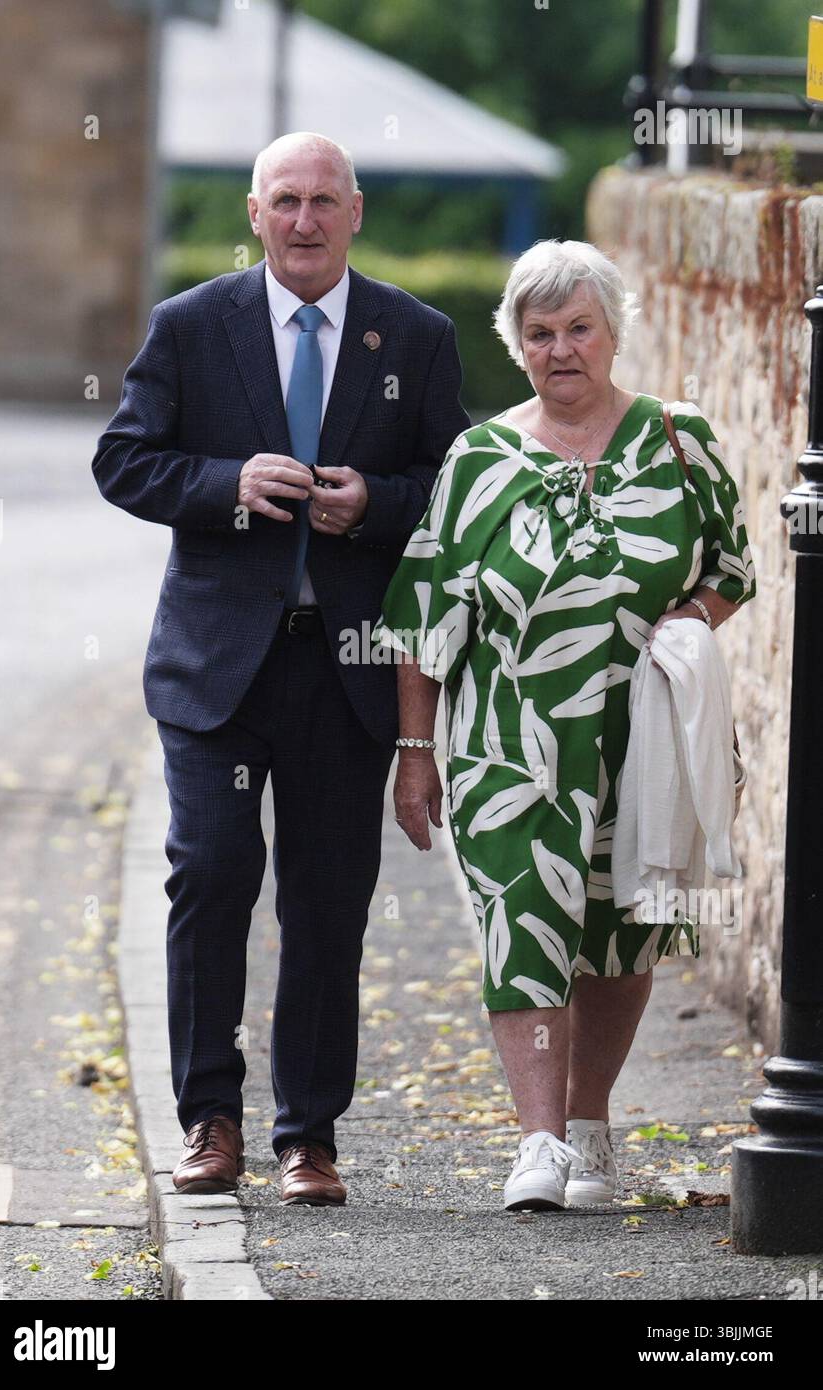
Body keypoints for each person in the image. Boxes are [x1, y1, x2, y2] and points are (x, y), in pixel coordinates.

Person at [91, 132, 469, 1204]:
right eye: (284, 202)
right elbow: (122, 458)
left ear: (355, 213)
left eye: (323, 202)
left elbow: (457, 477)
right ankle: (209, 1118)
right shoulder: (190, 325)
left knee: (329, 902)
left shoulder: (421, 337)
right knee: (209, 877)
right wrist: (222, 482)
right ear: (254, 215)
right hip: (217, 670)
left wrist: (376, 507)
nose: (304, 222)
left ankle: (310, 1137)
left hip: (345, 670)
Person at [371, 238, 756, 1213]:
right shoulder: (481, 461)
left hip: (647, 739)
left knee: (624, 934)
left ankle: (590, 1128)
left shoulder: (679, 439)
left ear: (612, 330)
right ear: (515, 345)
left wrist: (689, 623)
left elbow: (732, 572)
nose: (560, 349)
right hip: (512, 741)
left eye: (577, 327)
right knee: (523, 924)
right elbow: (421, 622)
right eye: (538, 333)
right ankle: (536, 1141)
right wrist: (415, 755)